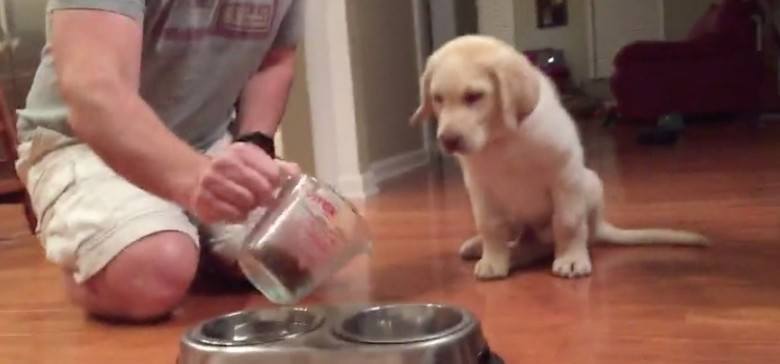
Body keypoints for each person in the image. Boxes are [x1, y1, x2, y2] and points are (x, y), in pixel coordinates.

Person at [14, 0, 304, 322]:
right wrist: (195, 179)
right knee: (154, 267)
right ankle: (84, 243)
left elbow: (274, 60)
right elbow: (94, 91)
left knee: (293, 251)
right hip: (86, 144)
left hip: (205, 143)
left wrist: (253, 147)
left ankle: (177, 239)